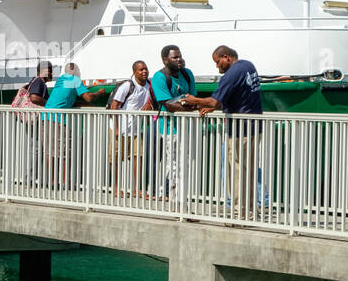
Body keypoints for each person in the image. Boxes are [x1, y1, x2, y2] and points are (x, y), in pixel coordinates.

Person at [184, 45, 264, 213]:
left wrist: (193, 100)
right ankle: (250, 207)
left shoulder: (232, 73)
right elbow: (239, 96)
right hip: (254, 126)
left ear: (227, 57)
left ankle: (238, 209)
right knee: (248, 168)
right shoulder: (248, 65)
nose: (217, 66)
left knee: (236, 169)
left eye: (217, 61)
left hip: (240, 130)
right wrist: (216, 106)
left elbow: (214, 101)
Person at [41, 62, 104, 187]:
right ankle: (65, 182)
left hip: (46, 116)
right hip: (58, 119)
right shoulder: (75, 80)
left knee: (50, 151)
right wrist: (99, 93)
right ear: (76, 72)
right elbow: (89, 98)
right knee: (65, 151)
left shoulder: (61, 80)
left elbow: (68, 97)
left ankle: (52, 182)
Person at [150, 45, 196, 202]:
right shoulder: (159, 77)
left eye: (180, 56)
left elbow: (193, 98)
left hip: (187, 126)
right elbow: (167, 104)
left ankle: (181, 197)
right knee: (174, 163)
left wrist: (189, 105)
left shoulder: (187, 73)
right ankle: (174, 199)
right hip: (170, 127)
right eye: (174, 57)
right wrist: (188, 107)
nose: (179, 59)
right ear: (165, 60)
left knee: (187, 163)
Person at [107, 60, 155, 197]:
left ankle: (136, 189)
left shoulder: (148, 85)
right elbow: (114, 106)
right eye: (141, 70)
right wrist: (116, 129)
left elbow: (150, 104)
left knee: (137, 157)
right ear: (134, 72)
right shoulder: (128, 85)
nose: (144, 71)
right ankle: (116, 188)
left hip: (134, 130)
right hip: (119, 128)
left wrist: (149, 107)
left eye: (146, 69)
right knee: (116, 158)